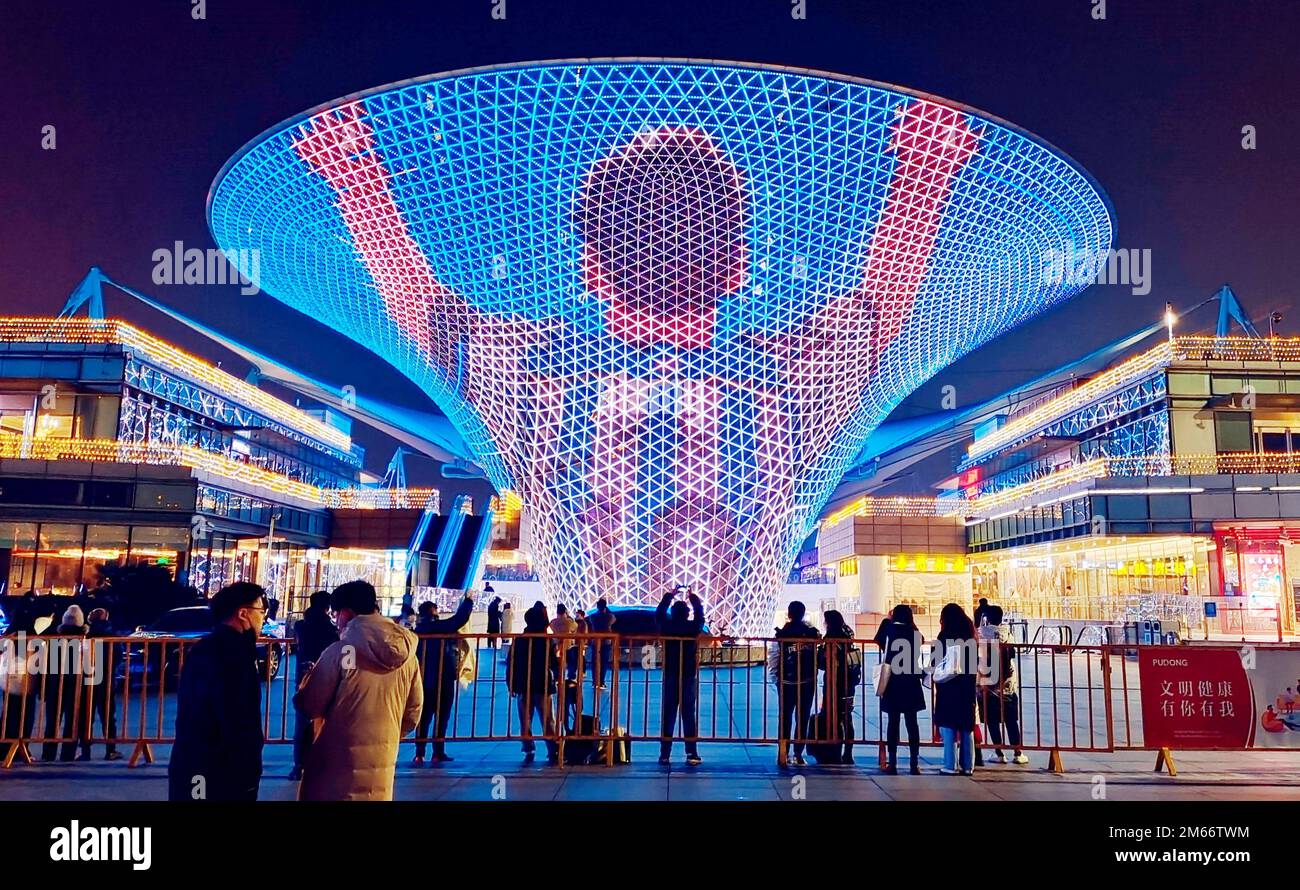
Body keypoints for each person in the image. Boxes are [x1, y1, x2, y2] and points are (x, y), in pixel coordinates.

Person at [295, 580, 423, 800]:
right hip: (383, 760)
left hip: (335, 764)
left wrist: (306, 681)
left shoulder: (344, 652)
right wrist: (387, 735)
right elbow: (413, 713)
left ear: (346, 613)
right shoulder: (407, 656)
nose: (335, 621)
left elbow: (311, 705)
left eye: (336, 614)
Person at [168, 583, 268, 801]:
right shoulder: (236, 654)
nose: (263, 618)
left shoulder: (207, 647)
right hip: (220, 767)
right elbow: (238, 717)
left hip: (192, 760)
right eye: (261, 611)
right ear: (243, 614)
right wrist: (248, 770)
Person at [413, 593, 474, 764]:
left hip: (423, 680)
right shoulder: (440, 627)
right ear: (433, 612)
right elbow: (459, 620)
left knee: (423, 718)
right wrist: (468, 601)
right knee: (442, 716)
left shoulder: (417, 632)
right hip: (443, 678)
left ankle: (419, 753)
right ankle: (438, 752)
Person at [289, 590, 338, 780]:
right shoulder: (330, 629)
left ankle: (298, 766)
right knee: (326, 722)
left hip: (304, 677)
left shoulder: (301, 625)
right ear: (328, 607)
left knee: (302, 722)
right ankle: (321, 764)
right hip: (326, 676)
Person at [655, 587, 706, 765]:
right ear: (687, 614)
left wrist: (670, 594)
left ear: (673, 613)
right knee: (688, 714)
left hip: (670, 673)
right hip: (688, 674)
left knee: (668, 714)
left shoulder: (667, 627)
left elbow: (659, 614)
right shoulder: (692, 628)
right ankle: (691, 752)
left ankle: (664, 754)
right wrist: (693, 597)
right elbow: (700, 617)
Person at [874, 604, 926, 774]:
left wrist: (888, 619)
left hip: (893, 681)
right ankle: (914, 762)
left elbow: (879, 638)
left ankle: (893, 762)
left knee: (893, 722)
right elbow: (922, 640)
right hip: (911, 681)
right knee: (912, 723)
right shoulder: (916, 634)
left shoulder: (889, 630)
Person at [507, 604, 560, 763]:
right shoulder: (547, 641)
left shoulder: (519, 640)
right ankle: (552, 749)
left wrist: (511, 684)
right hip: (542, 683)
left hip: (523, 684)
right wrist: (557, 678)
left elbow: (511, 662)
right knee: (547, 718)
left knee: (525, 718)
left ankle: (528, 747)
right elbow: (554, 663)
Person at [773, 601, 821, 767]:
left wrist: (776, 679)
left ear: (789, 613)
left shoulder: (781, 634)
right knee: (803, 717)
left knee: (785, 717)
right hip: (807, 681)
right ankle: (798, 754)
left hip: (786, 681)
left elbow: (774, 658)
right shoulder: (811, 632)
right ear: (803, 613)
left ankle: (783, 752)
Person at [979, 606, 1028, 765]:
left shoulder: (982, 633)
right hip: (1008, 683)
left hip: (988, 683)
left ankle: (999, 752)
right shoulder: (1009, 634)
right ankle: (1017, 752)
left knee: (992, 719)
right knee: (1011, 719)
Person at [934, 602, 978, 776]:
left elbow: (934, 659)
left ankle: (950, 765)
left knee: (948, 725)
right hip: (967, 686)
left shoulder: (944, 636)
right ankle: (968, 766)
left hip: (948, 686)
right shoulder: (970, 637)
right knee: (967, 726)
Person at [41, 605, 89, 762]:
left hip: (54, 684)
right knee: (72, 721)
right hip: (76, 685)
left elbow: (45, 666)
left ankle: (48, 753)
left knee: (52, 720)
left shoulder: (54, 641)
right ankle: (68, 753)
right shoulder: (85, 642)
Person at [817, 610, 861, 765]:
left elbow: (823, 662)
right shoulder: (848, 634)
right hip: (849, 682)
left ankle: (832, 751)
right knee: (847, 717)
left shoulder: (831, 636)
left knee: (832, 716)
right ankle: (848, 753)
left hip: (834, 682)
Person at [82, 608, 122, 761]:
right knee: (108, 716)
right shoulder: (112, 635)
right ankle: (110, 750)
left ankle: (86, 751)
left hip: (89, 676)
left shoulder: (86, 635)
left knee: (87, 716)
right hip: (106, 677)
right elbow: (118, 656)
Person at [586, 598, 617, 688]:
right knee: (603, 662)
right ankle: (601, 682)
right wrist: (606, 609)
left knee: (595, 662)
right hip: (606, 641)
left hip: (595, 641)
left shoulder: (592, 617)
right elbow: (614, 618)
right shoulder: (609, 617)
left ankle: (594, 681)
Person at [549, 603, 580, 681]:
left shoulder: (553, 622)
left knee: (556, 663)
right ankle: (571, 677)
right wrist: (568, 616)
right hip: (568, 645)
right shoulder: (569, 622)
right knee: (571, 661)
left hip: (556, 646)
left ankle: (556, 677)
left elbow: (551, 626)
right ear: (565, 612)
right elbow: (575, 626)